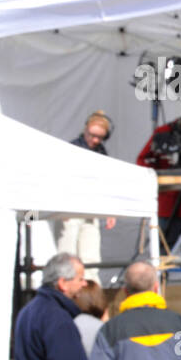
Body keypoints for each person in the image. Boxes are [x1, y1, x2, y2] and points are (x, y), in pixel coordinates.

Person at [58, 112, 117, 282]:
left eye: (100, 137)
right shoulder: (72, 149)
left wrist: (110, 210)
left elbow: (105, 182)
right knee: (68, 252)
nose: (95, 140)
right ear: (85, 130)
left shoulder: (101, 152)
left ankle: (90, 288)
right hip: (71, 207)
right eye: (92, 135)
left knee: (90, 255)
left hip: (92, 209)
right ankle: (66, 285)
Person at [137, 112, 181, 255]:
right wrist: (159, 176)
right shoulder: (164, 132)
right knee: (163, 249)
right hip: (168, 203)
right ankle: (160, 277)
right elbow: (142, 160)